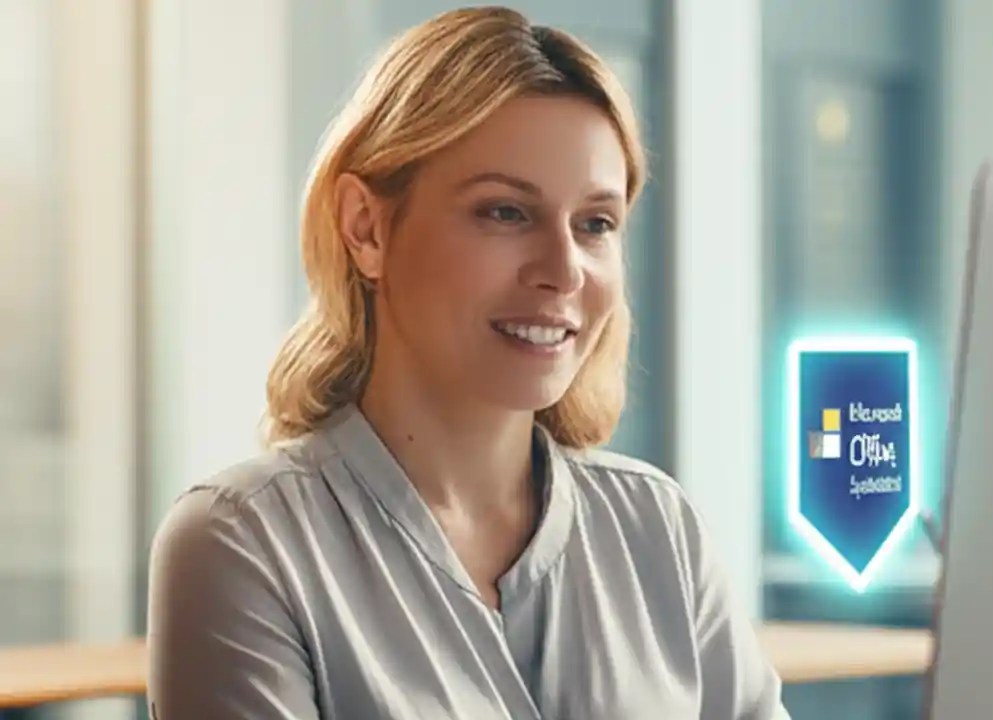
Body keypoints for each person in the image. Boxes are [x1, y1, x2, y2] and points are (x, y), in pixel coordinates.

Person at [146, 6, 790, 719]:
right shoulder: (245, 545)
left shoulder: (657, 530)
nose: (564, 270)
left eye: (595, 224)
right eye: (505, 213)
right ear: (366, 228)